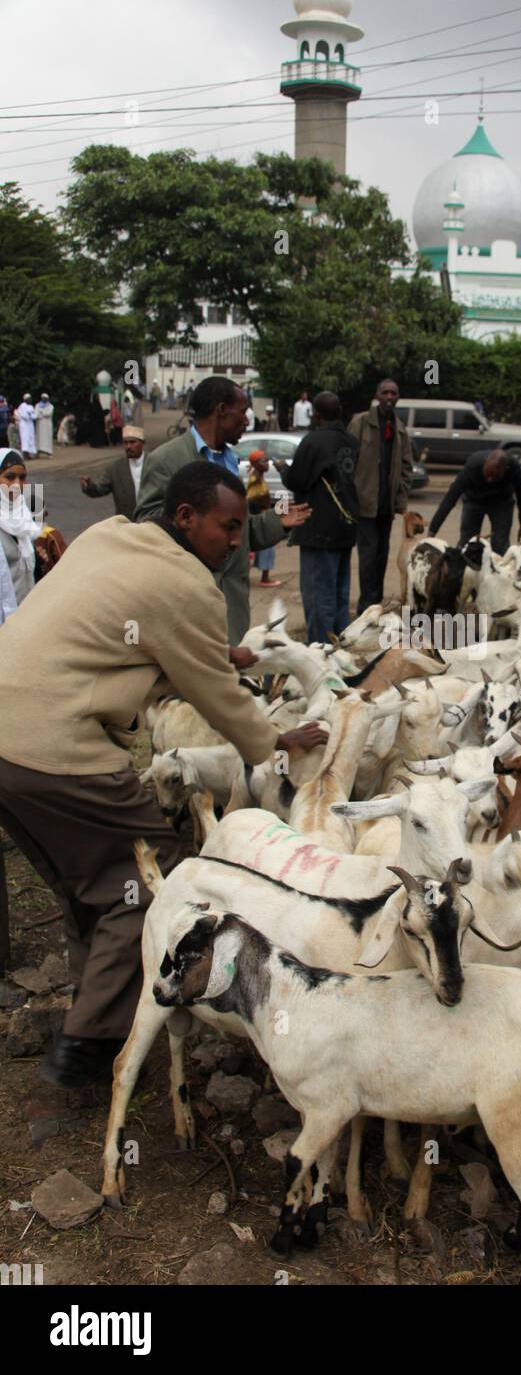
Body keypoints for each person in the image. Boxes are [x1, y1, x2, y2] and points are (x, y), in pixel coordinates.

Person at [0, 460, 327, 1088]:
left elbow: (131, 638)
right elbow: (216, 696)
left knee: (88, 881)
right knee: (149, 877)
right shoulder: (188, 586)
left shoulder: (109, 534)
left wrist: (215, 654)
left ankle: (97, 998)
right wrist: (274, 740)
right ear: (185, 517)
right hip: (56, 748)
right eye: (227, 527)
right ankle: (86, 1051)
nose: (236, 541)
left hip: (8, 743)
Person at [135, 375, 309, 646]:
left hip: (233, 607)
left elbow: (237, 530)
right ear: (221, 410)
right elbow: (146, 524)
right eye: (243, 412)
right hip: (188, 605)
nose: (247, 420)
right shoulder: (166, 459)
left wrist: (278, 523)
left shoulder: (232, 460)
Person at [276, 391, 360, 643]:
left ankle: (320, 653)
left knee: (318, 597)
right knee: (339, 595)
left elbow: (297, 481)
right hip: (346, 526)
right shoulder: (351, 441)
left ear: (315, 414)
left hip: (318, 529)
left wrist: (282, 468)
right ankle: (340, 651)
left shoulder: (314, 441)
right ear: (340, 410)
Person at [348, 379, 414, 614]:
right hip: (365, 504)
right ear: (377, 394)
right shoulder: (361, 422)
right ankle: (366, 606)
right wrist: (350, 496)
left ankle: (375, 604)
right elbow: (346, 460)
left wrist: (401, 498)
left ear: (397, 397)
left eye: (393, 393)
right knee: (367, 557)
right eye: (385, 392)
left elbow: (407, 466)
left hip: (386, 507)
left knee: (381, 556)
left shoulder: (399, 427)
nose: (389, 396)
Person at [428, 447, 521, 557]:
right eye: (487, 475)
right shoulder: (473, 466)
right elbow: (449, 500)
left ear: (505, 469)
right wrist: (432, 532)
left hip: (501, 503)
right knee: (467, 544)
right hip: (474, 501)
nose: (490, 480)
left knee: (500, 545)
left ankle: (499, 570)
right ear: (485, 463)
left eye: (495, 477)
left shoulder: (514, 468)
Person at [0, 449, 42, 604]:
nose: (17, 484)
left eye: (22, 477)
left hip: (27, 610)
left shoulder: (25, 510)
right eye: (10, 477)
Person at [79, 426, 147, 516]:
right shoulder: (116, 468)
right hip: (126, 521)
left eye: (132, 442)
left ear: (142, 443)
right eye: (125, 443)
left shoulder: (154, 463)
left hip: (150, 521)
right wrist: (89, 487)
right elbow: (101, 489)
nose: (128, 446)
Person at [246, 448, 281, 588]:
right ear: (255, 464)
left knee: (261, 549)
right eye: (263, 461)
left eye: (267, 460)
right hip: (261, 517)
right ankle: (265, 579)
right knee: (267, 547)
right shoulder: (255, 479)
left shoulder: (259, 476)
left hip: (263, 514)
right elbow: (252, 499)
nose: (267, 463)